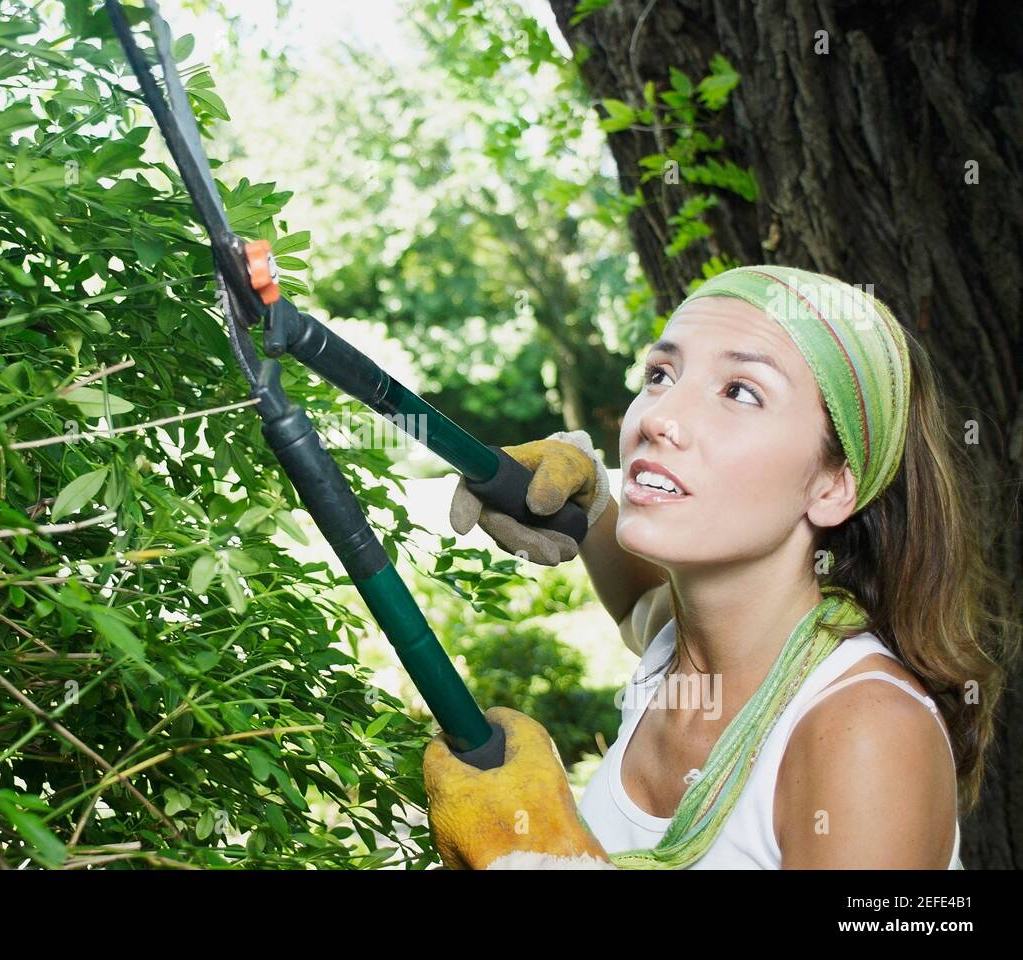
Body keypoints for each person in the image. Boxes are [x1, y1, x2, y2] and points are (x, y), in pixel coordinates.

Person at [422, 265, 1017, 869]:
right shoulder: (677, 650)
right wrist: (590, 496)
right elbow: (637, 606)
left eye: (740, 391)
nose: (656, 418)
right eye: (660, 375)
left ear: (834, 486)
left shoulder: (867, 733)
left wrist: (535, 860)